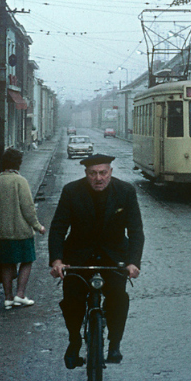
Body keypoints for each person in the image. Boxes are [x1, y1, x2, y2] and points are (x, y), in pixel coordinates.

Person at [48, 154, 144, 369]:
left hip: (115, 257)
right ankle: (74, 342)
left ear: (110, 172)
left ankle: (114, 344)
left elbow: (136, 230)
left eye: (103, 173)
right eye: (93, 173)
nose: (98, 178)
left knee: (118, 298)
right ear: (86, 174)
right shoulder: (71, 191)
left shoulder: (125, 191)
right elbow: (57, 229)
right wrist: (57, 260)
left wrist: (133, 263)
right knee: (72, 299)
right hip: (78, 257)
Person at [0, 149, 46, 310]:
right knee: (27, 261)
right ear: (18, 163)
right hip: (20, 232)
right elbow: (28, 208)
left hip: (1, 233)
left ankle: (8, 297)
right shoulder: (20, 181)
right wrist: (38, 226)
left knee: (6, 265)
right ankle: (20, 295)